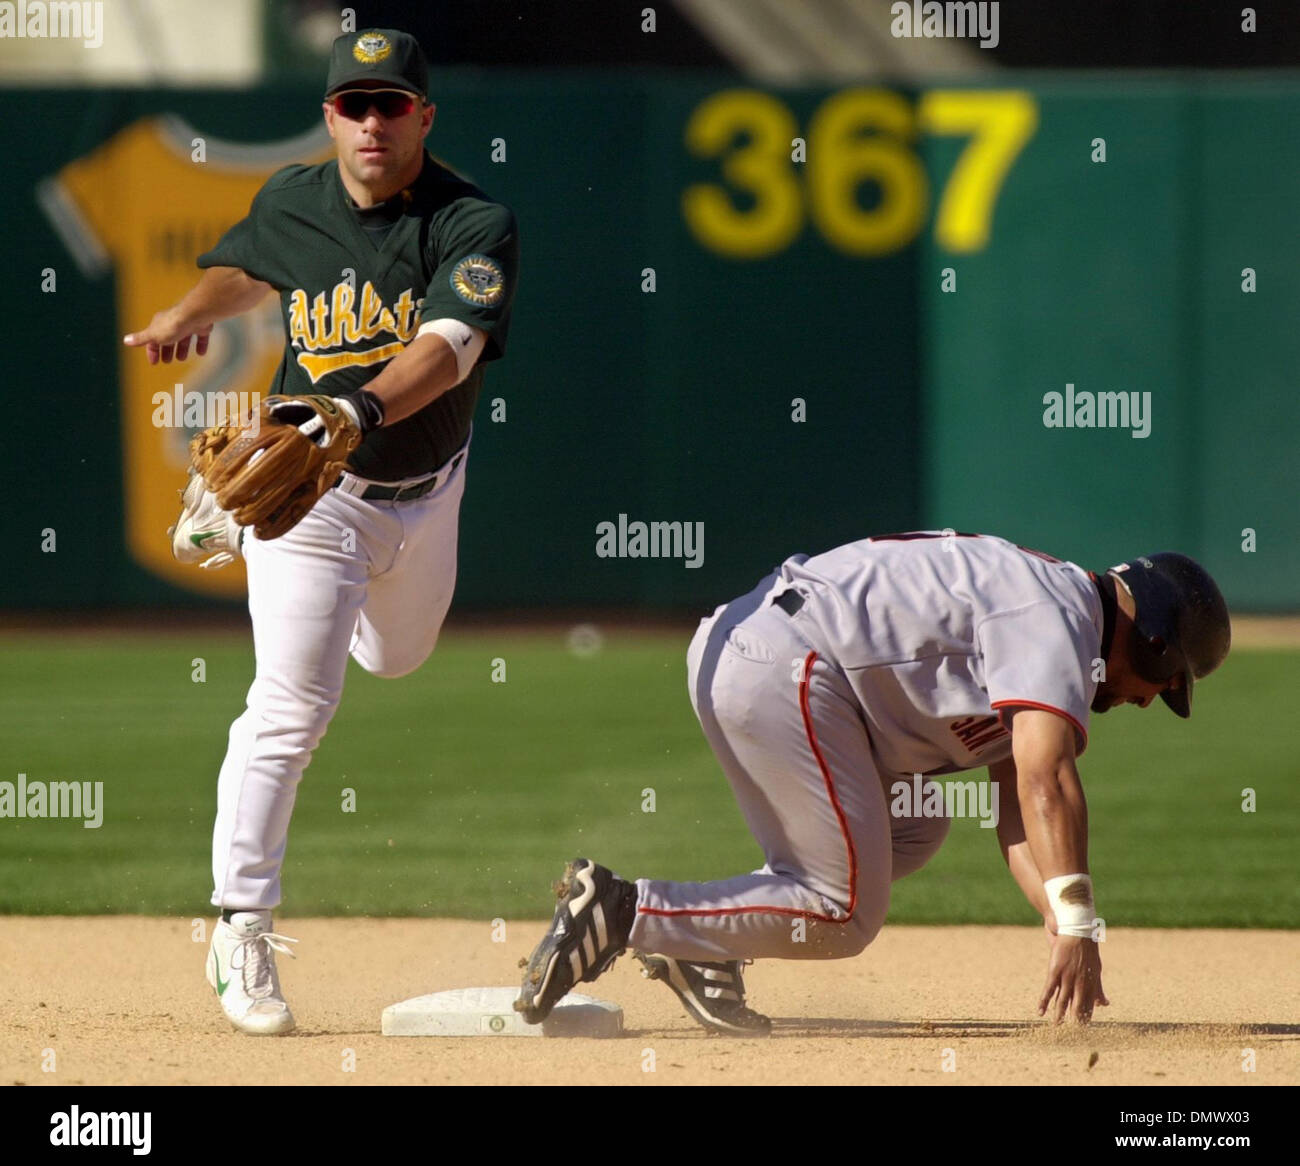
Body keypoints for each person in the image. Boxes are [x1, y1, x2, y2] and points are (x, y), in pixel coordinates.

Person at [123, 27, 518, 1034]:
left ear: (424, 115)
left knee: (398, 656)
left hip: (427, 486)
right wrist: (189, 306)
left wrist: (361, 409)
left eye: (392, 104)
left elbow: (448, 348)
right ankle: (240, 924)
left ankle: (251, 541)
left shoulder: (472, 221)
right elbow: (246, 270)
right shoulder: (294, 198)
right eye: (354, 104)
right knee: (290, 706)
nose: (373, 121)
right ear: (330, 116)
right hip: (316, 495)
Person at [515, 532, 1230, 1033]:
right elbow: (1049, 778)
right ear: (1155, 638)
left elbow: (1017, 801)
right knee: (845, 910)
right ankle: (621, 911)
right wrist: (1079, 919)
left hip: (769, 658)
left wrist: (1057, 919)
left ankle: (704, 947)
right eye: (1163, 684)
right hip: (786, 666)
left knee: (918, 823)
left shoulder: (1054, 614)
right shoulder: (1062, 617)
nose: (1147, 700)